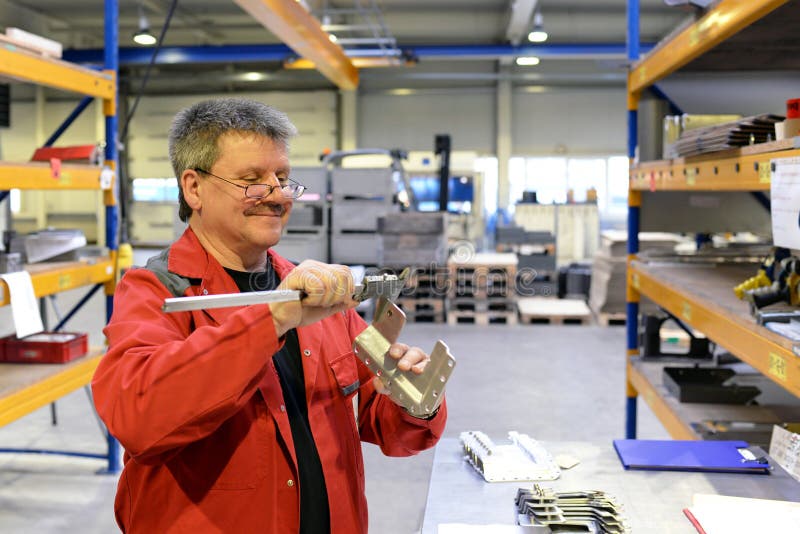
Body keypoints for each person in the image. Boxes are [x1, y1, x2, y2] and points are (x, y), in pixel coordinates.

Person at [92, 97, 447, 533]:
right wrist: (271, 320)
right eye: (252, 180)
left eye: (281, 178)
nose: (277, 194)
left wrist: (414, 398)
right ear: (194, 188)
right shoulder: (158, 292)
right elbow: (138, 418)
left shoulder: (311, 291)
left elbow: (384, 423)